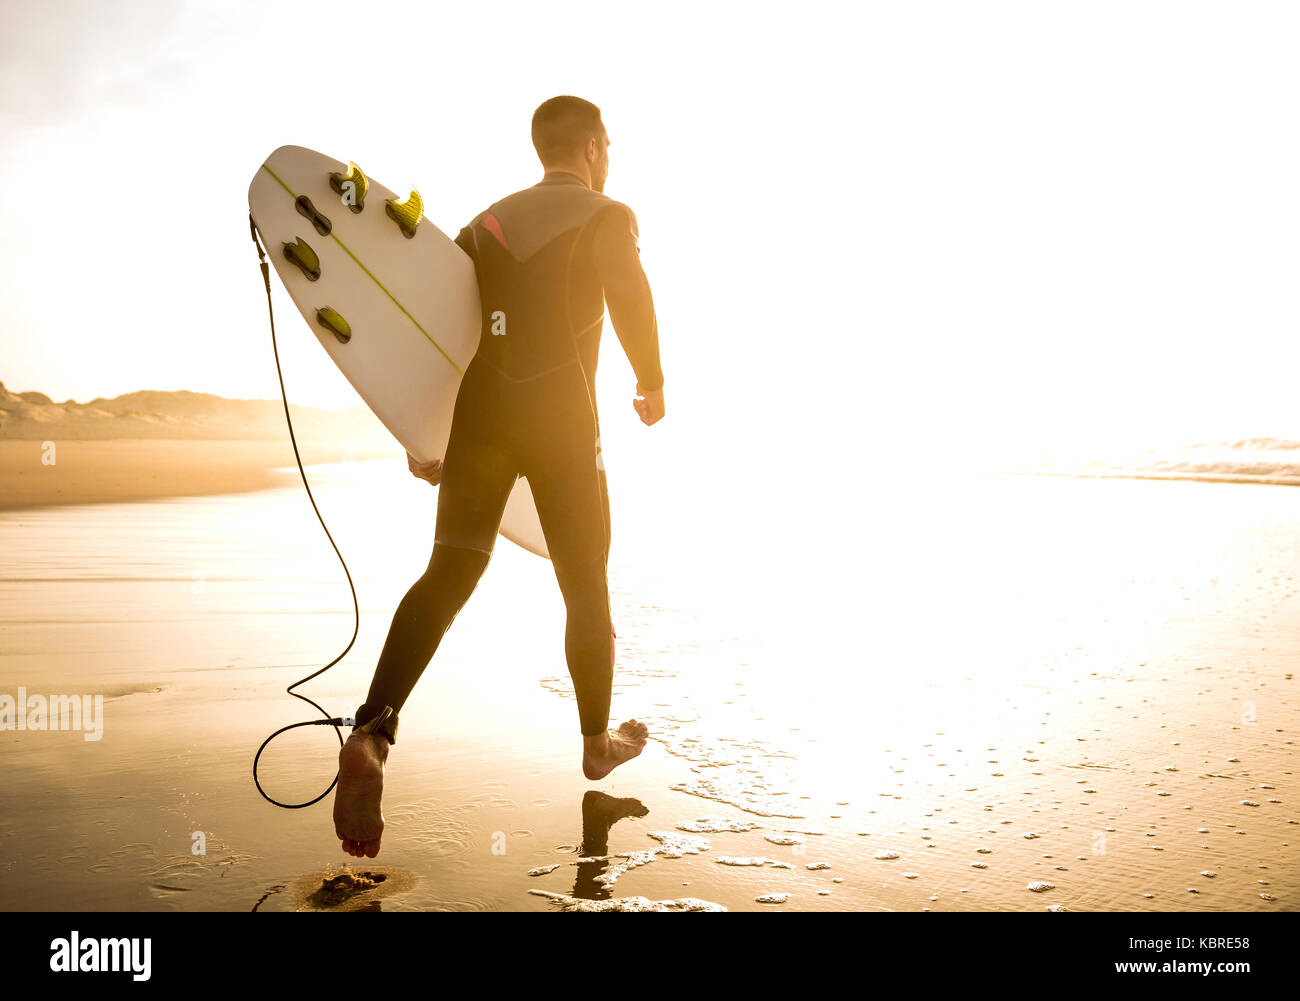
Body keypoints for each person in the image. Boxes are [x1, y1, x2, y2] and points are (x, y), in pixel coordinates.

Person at [333, 96, 666, 859]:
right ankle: (595, 742)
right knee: (586, 582)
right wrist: (651, 378)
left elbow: (441, 328)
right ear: (589, 146)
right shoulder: (608, 215)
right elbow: (628, 291)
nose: (608, 157)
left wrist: (423, 431)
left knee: (448, 573)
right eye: (607, 145)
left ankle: (374, 731)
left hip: (480, 417)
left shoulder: (484, 224)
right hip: (563, 420)